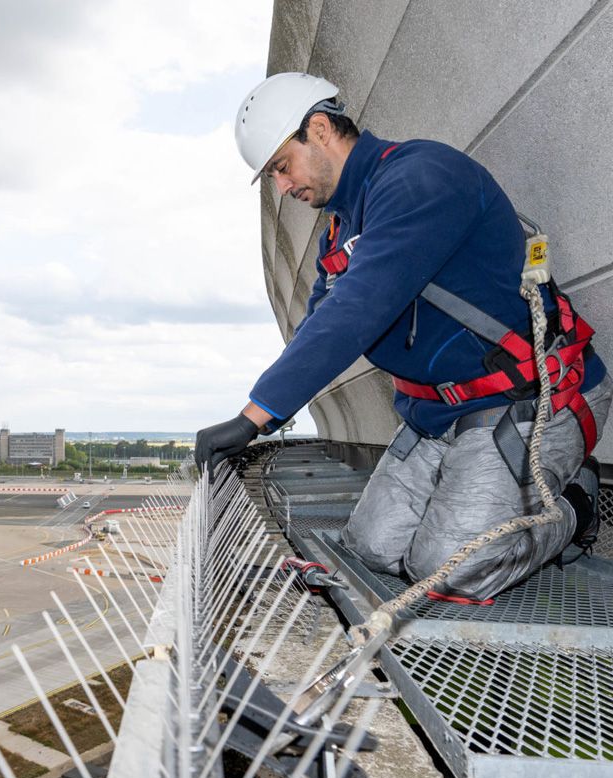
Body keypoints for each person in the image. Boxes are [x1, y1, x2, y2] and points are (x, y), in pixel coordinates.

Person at [195, 72, 609, 601]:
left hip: (526, 402)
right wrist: (260, 405)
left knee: (448, 571)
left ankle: (575, 503)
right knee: (369, 551)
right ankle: (480, 499)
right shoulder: (342, 228)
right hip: (435, 415)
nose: (283, 186)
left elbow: (356, 307)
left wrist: (255, 417)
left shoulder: (420, 179)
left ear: (319, 130)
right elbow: (322, 324)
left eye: (281, 166)